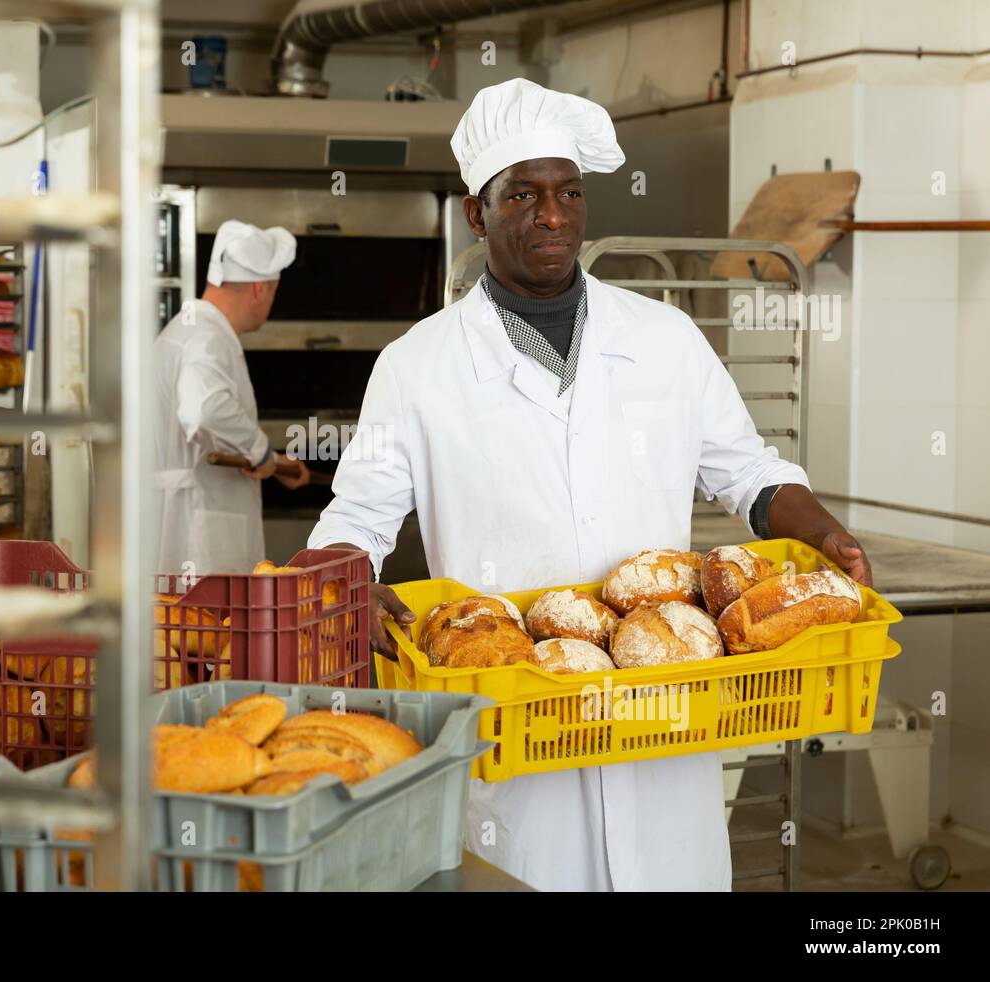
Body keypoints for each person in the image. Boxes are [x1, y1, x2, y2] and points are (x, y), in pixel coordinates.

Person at [308, 78, 873, 891]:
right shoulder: (418, 367)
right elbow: (355, 519)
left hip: (663, 718)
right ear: (478, 211)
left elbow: (750, 474)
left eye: (569, 192)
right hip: (515, 734)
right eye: (525, 195)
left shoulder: (665, 340)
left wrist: (824, 533)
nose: (553, 215)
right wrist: (343, 580)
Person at [155, 219, 311, 576]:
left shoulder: (189, 329)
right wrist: (258, 451)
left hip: (182, 521)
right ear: (259, 288)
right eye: (273, 291)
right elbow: (204, 410)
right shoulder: (205, 337)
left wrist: (270, 461)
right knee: (206, 630)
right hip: (196, 537)